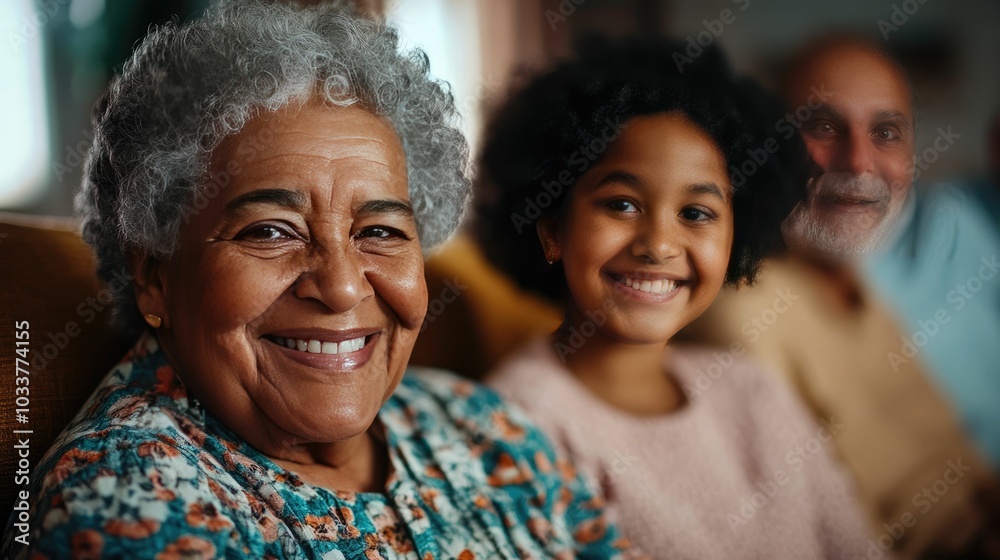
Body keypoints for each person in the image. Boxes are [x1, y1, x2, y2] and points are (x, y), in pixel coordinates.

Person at [1, 3, 642, 559]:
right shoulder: (127, 500)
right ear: (154, 275)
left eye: (381, 232)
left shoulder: (483, 425)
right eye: (272, 231)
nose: (340, 288)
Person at [475, 36, 874, 558]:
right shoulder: (515, 426)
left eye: (696, 213)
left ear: (737, 234)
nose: (659, 244)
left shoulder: (753, 390)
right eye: (621, 204)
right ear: (552, 229)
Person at [682, 36, 1000, 557]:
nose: (859, 161)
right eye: (823, 126)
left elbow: (965, 476)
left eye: (887, 133)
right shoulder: (742, 313)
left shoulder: (852, 283)